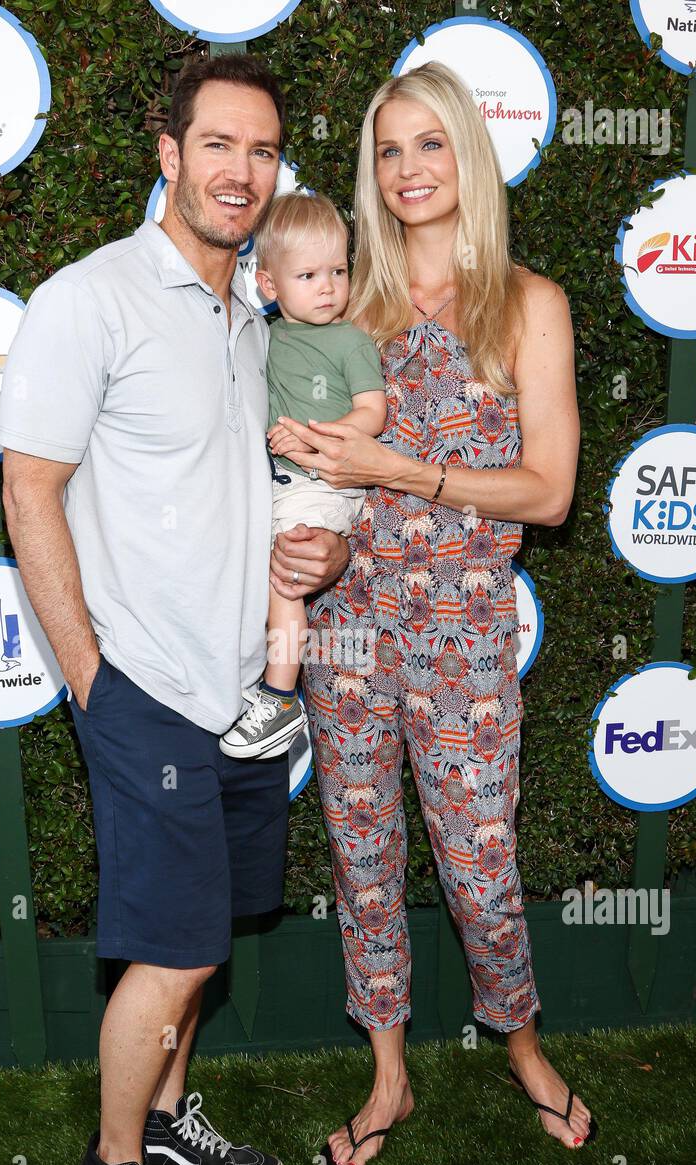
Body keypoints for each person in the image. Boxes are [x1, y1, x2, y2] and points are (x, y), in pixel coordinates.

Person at [0, 54, 351, 1165]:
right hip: (140, 680)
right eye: (218, 146)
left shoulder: (257, 319)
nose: (240, 171)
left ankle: (163, 1112)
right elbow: (28, 486)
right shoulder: (88, 300)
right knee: (181, 943)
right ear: (168, 151)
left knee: (209, 937)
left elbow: (254, 489)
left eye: (261, 151)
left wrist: (311, 546)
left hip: (249, 687)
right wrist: (88, 673)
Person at [277, 61, 592, 1165]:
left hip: (462, 636)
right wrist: (307, 531)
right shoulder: (337, 299)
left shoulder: (527, 304)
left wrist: (402, 469)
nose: (408, 169)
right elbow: (304, 464)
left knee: (477, 861)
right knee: (360, 857)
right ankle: (388, 1075)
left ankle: (521, 1044)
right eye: (387, 148)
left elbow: (547, 491)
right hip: (346, 632)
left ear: (467, 154)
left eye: (430, 144)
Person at [219, 192, 386, 760]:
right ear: (268, 285)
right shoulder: (262, 336)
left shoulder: (350, 339)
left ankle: (280, 695)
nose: (328, 287)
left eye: (338, 271)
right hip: (277, 482)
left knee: (285, 577)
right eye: (309, 274)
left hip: (327, 484)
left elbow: (373, 413)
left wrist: (315, 437)